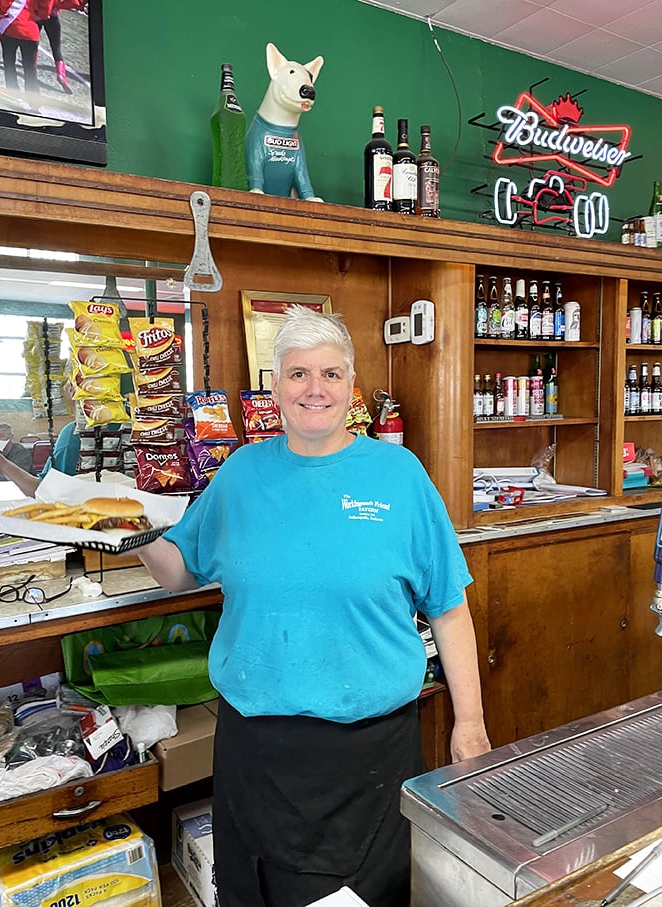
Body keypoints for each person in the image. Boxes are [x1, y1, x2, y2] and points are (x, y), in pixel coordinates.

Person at [138, 305, 490, 907]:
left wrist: (471, 725)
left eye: (330, 374)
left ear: (351, 387)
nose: (314, 389)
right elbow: (177, 572)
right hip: (256, 751)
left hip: (370, 756)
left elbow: (448, 609)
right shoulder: (240, 473)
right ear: (274, 387)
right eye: (297, 374)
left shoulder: (399, 474)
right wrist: (128, 529)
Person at [0, 0, 41, 94]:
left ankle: (12, 90)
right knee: (30, 69)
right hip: (31, 32)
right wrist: (43, 14)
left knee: (9, 63)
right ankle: (34, 100)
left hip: (10, 28)